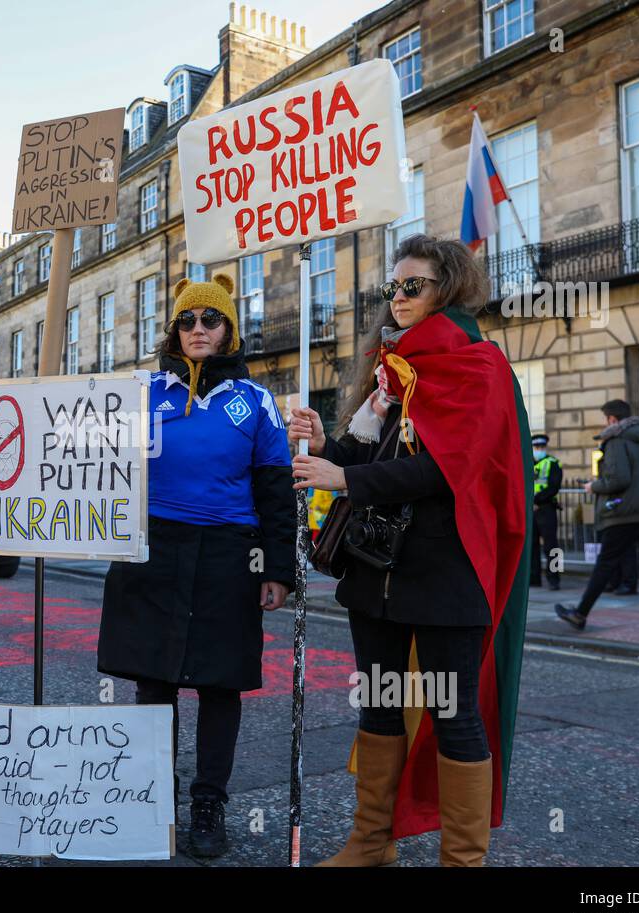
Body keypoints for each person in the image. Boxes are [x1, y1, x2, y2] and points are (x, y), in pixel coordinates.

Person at [289, 234, 531, 867]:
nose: (398, 297)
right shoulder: (392, 369)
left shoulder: (478, 364)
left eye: (412, 285)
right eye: (392, 287)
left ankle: (462, 862)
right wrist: (324, 445)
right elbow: (364, 455)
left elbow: (447, 470)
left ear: (446, 288)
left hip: (448, 572)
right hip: (378, 570)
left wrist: (346, 478)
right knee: (380, 703)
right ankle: (372, 843)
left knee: (453, 715)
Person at [97, 274, 295, 859]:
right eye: (188, 320)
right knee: (153, 680)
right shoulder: (141, 393)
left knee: (219, 684)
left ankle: (209, 801)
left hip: (228, 554)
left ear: (228, 329)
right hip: (153, 549)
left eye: (210, 320)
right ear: (176, 330)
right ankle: (155, 799)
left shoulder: (256, 402)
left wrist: (277, 569)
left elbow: (276, 492)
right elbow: (97, 464)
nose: (199, 329)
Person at [555, 399, 639, 644]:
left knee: (605, 564)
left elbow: (619, 479)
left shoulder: (616, 440)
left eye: (606, 419)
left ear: (612, 419)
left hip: (625, 513)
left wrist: (592, 486)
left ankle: (580, 614)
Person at [530, 434, 562, 591]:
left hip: (546, 509)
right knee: (531, 546)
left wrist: (535, 500)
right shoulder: (526, 464)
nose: (539, 450)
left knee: (552, 547)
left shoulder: (553, 464)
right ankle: (533, 578)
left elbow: (553, 487)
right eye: (536, 448)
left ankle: (554, 578)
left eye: (542, 447)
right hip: (531, 511)